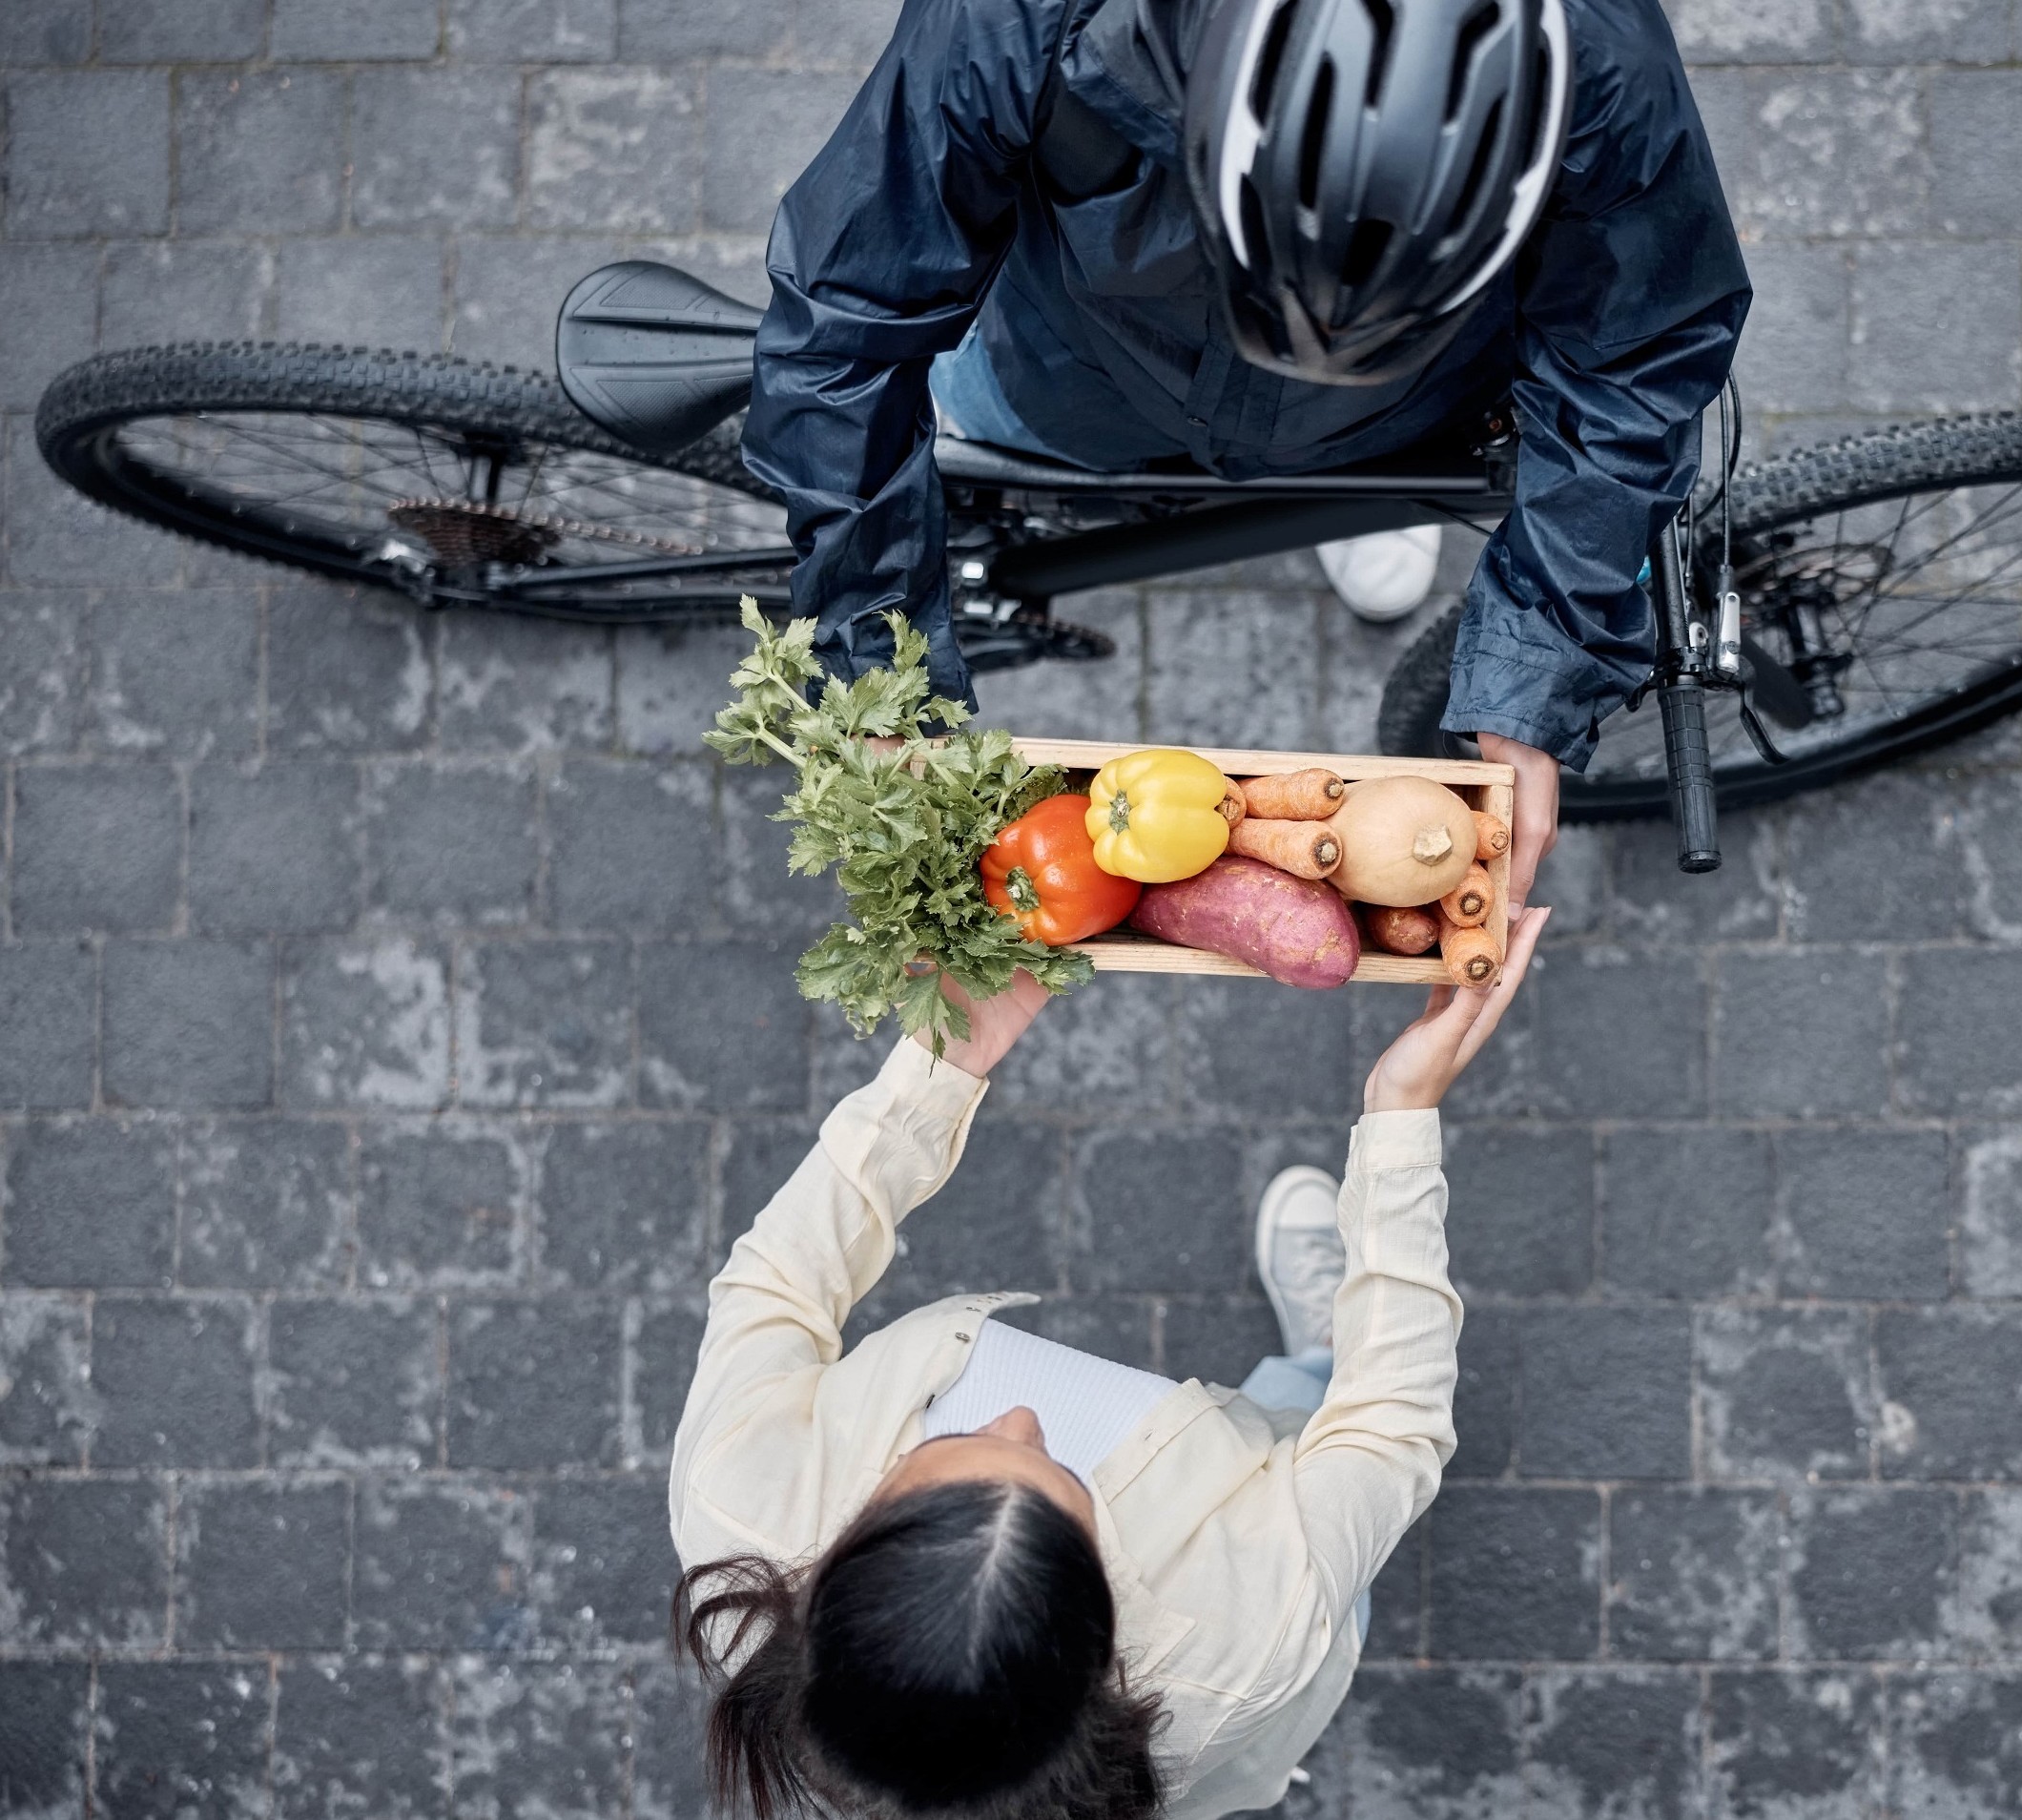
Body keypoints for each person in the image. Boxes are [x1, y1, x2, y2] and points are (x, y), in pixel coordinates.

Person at [740, 0, 1751, 920]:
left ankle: (1359, 491)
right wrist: (879, 671)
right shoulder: (1020, 17)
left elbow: (1640, 350)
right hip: (1070, 373)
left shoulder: (1600, 61)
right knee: (959, 419)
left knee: (1379, 459)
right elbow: (847, 322)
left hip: (1394, 415)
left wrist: (1539, 669)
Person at [670, 908, 1550, 1819]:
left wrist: (941, 1065)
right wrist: (1400, 1121)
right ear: (1103, 1631)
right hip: (1255, 1575)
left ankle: (1314, 1360)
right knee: (1313, 1422)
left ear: (828, 1579)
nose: (1021, 1421)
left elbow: (773, 1291)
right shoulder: (1247, 1642)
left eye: (934, 1456)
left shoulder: (734, 1502)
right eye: (1059, 1478)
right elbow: (1387, 1430)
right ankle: (1318, 1358)